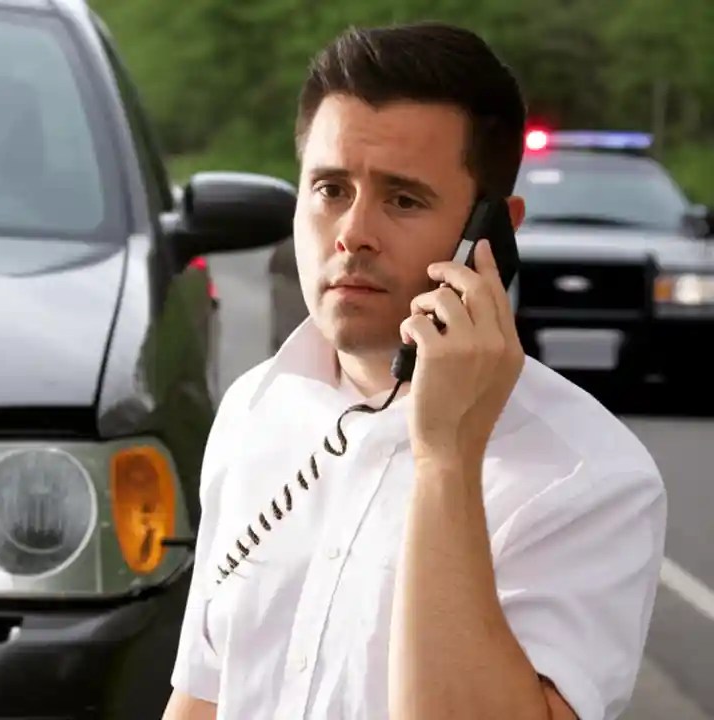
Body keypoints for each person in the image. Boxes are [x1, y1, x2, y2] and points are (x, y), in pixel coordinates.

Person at [163, 22, 666, 720]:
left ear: (491, 235)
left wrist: (446, 459)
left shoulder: (592, 478)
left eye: (402, 199)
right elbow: (202, 697)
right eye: (330, 189)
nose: (353, 232)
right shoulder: (255, 409)